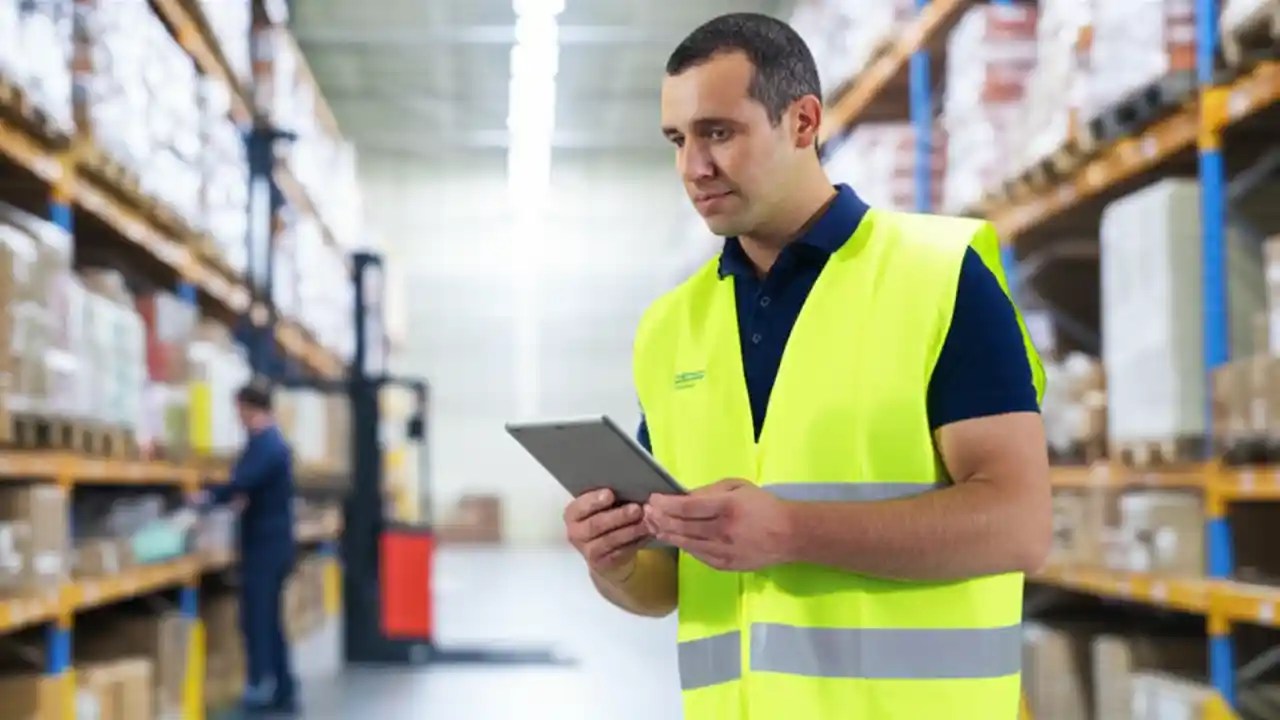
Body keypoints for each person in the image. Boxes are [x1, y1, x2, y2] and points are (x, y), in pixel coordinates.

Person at [562, 12, 1051, 720]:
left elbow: (1019, 524)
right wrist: (612, 561)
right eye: (678, 140)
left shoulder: (940, 279)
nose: (694, 167)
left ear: (802, 121)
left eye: (718, 132)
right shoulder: (671, 328)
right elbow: (663, 583)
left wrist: (789, 531)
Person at [201, 383, 299, 715]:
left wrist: (204, 499)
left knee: (257, 619)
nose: (237, 417)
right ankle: (282, 687)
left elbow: (241, 482)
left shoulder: (267, 445)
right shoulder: (268, 444)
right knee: (267, 620)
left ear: (248, 408)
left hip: (265, 548)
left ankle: (262, 688)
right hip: (267, 545)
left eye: (239, 410)